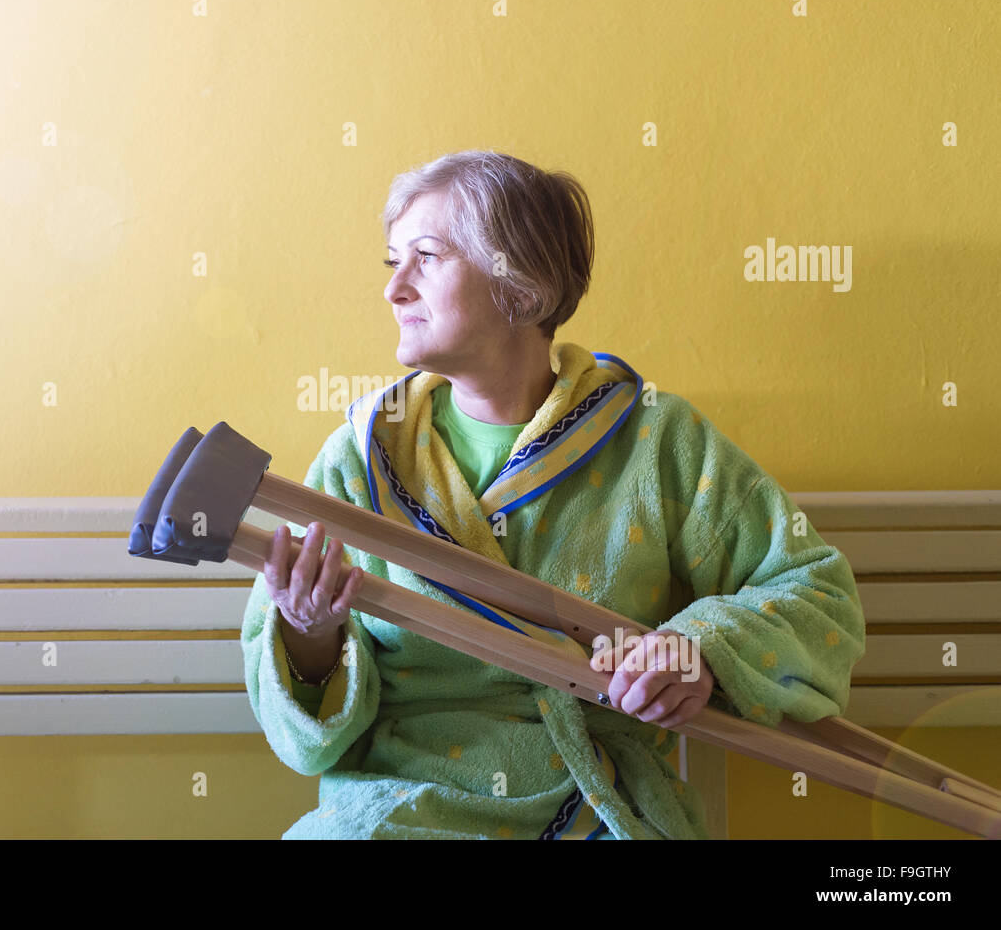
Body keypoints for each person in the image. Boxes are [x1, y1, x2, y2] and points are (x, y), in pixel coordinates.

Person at [240, 150, 865, 839]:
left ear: (521, 286)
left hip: (597, 798)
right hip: (404, 809)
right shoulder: (358, 461)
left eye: (427, 257)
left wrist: (697, 651)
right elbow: (308, 741)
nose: (395, 291)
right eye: (395, 263)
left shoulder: (654, 439)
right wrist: (310, 633)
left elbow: (815, 590)